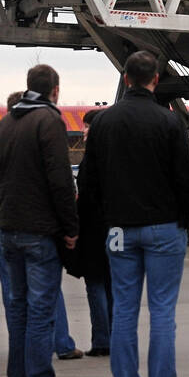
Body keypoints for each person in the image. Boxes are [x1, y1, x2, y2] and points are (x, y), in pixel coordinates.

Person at [79, 51, 189, 377]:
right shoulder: (170, 122)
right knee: (161, 311)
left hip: (119, 229)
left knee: (124, 310)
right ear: (155, 80)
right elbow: (183, 178)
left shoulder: (103, 124)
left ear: (126, 79)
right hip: (163, 226)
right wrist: (184, 221)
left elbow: (88, 181)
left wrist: (100, 221)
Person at [0, 64, 80, 377]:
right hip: (40, 230)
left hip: (9, 228)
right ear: (55, 90)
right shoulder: (49, 121)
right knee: (41, 311)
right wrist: (71, 227)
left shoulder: (5, 123)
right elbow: (60, 179)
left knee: (18, 310)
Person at [73, 107, 112, 358]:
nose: (83, 131)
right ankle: (116, 335)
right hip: (116, 226)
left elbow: (86, 193)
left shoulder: (92, 158)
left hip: (94, 228)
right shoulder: (117, 155)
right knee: (113, 284)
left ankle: (101, 339)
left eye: (87, 126)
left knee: (95, 283)